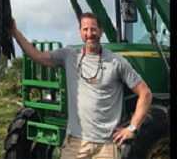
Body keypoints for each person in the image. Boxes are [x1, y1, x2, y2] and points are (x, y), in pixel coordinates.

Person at [12, 13, 152, 159]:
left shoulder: (116, 62)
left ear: (101, 31)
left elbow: (145, 93)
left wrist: (132, 127)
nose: (89, 34)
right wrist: (16, 33)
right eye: (85, 29)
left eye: (93, 29)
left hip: (106, 148)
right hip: (75, 144)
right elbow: (37, 56)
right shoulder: (69, 56)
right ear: (80, 32)